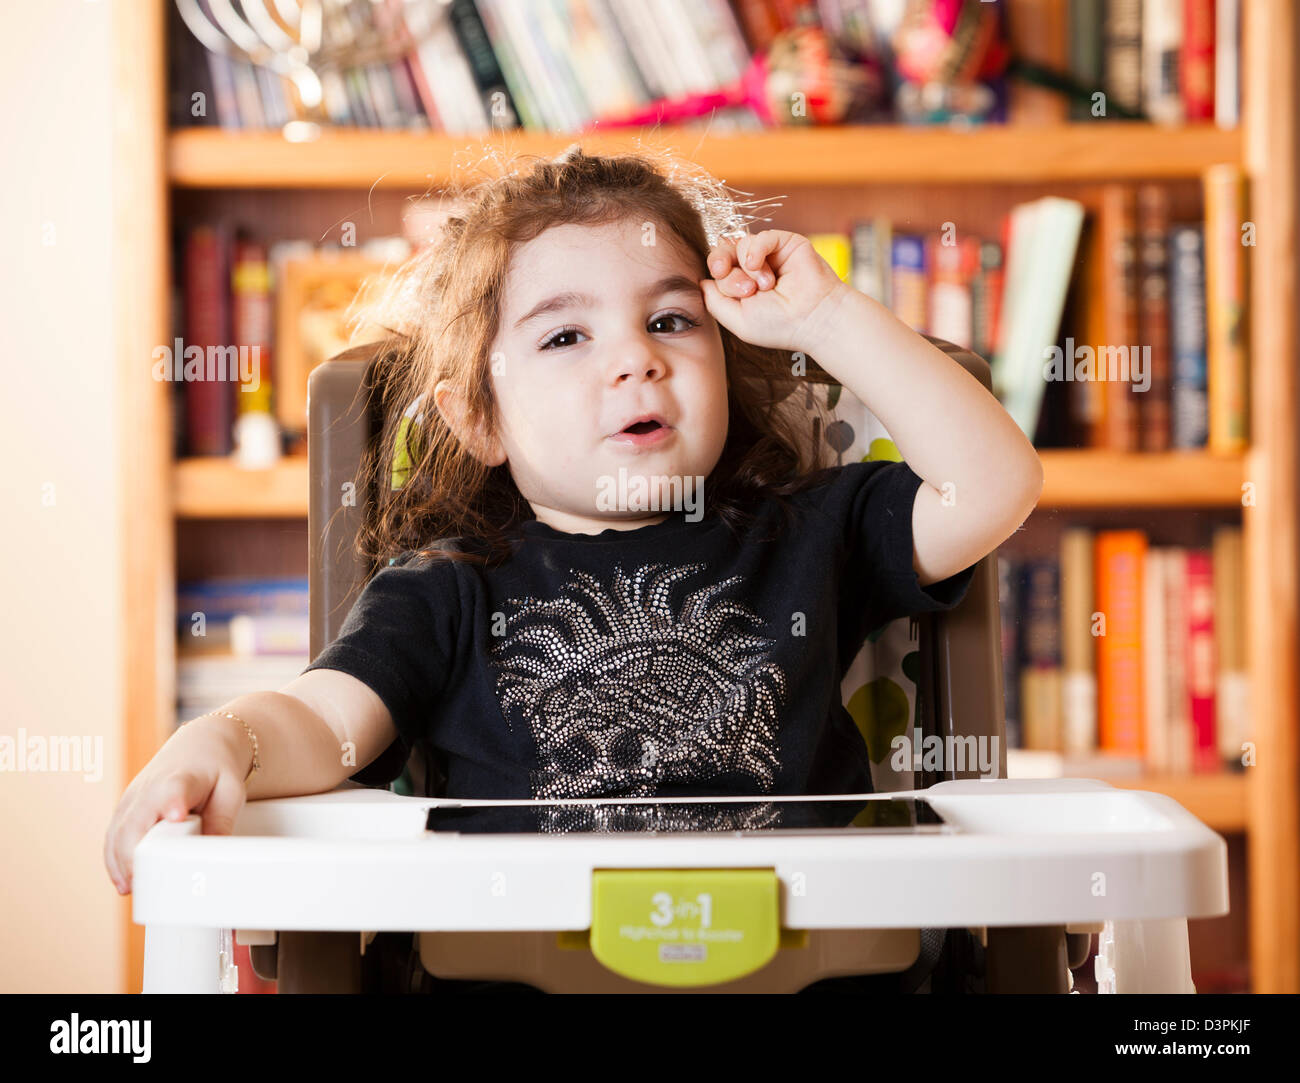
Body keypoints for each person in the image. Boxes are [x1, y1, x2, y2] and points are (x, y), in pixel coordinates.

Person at [105, 146, 1042, 990]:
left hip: (805, 976)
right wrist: (222, 742)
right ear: (479, 417)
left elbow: (995, 483)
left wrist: (827, 316)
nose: (636, 358)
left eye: (673, 320)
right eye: (564, 336)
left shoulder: (811, 533)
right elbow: (321, 718)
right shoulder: (448, 589)